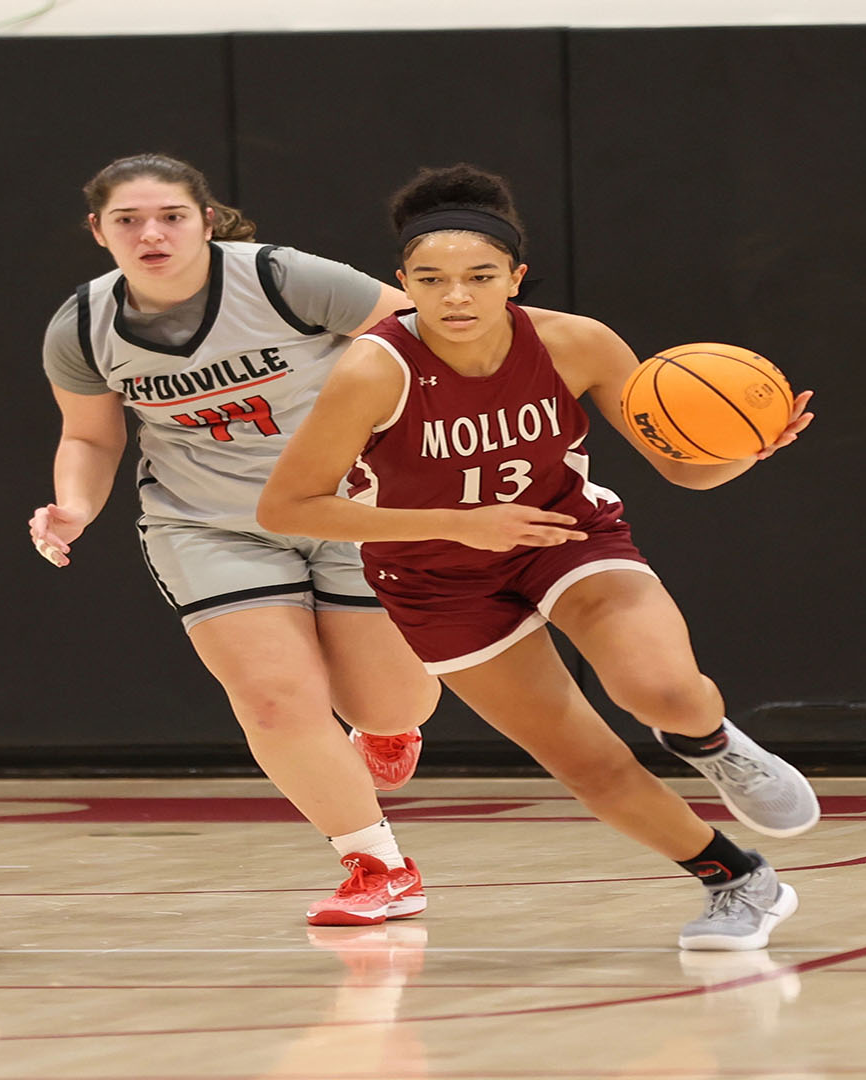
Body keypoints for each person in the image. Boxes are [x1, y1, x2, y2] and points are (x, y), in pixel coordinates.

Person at [256, 164, 821, 950]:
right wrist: (460, 525)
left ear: (514, 278)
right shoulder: (372, 370)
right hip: (434, 577)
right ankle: (739, 881)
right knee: (585, 762)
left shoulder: (574, 343)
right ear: (404, 281)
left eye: (479, 277)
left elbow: (684, 468)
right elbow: (286, 507)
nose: (456, 297)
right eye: (432, 279)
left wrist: (746, 449)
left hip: (566, 538)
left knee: (658, 688)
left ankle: (714, 744)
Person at [29, 153, 441, 925]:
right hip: (206, 523)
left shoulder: (286, 280)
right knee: (272, 697)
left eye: (172, 217)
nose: (151, 234)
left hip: (351, 503)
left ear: (206, 221)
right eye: (128, 220)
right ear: (98, 231)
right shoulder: (81, 328)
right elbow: (89, 437)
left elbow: (420, 342)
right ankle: (377, 863)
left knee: (388, 697)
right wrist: (73, 505)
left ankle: (388, 722)